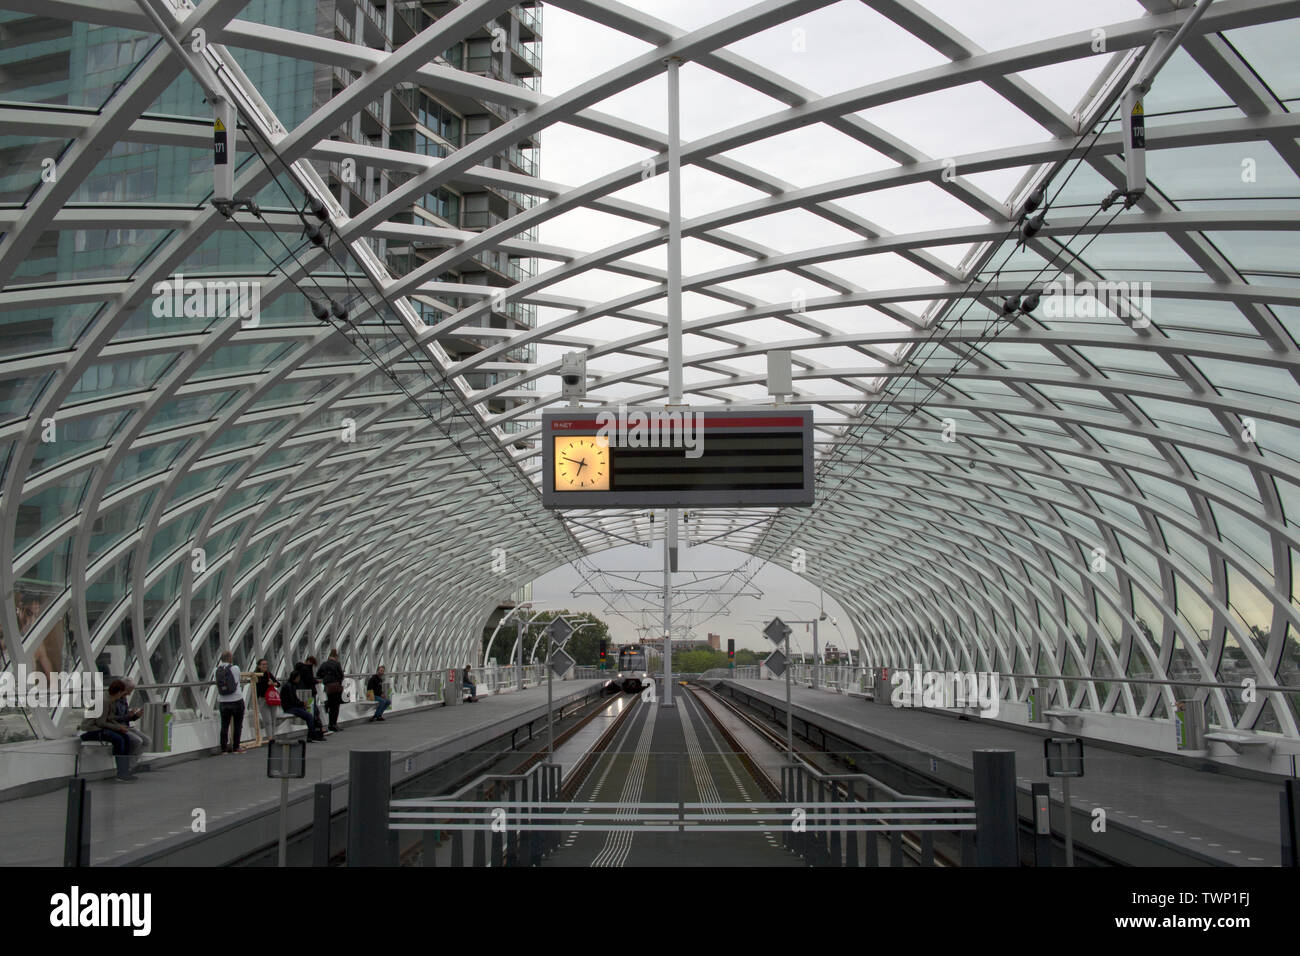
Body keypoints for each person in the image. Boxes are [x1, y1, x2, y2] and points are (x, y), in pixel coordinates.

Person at [80, 679, 136, 782]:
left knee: (125, 738)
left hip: (99, 728)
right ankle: (121, 772)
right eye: (123, 692)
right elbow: (101, 722)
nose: (124, 695)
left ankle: (124, 770)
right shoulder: (105, 701)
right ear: (119, 692)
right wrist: (118, 727)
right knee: (119, 739)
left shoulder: (110, 699)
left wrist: (120, 727)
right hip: (93, 730)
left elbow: (109, 719)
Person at [112, 678, 151, 771]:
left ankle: (129, 765)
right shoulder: (114, 699)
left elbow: (125, 716)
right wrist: (128, 716)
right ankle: (126, 767)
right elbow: (112, 718)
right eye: (128, 691)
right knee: (137, 740)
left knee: (147, 741)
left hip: (125, 726)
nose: (129, 694)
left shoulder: (123, 699)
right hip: (117, 727)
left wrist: (135, 716)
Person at [214, 651, 246, 754]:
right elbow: (238, 680)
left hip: (223, 701)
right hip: (237, 699)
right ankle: (236, 747)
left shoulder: (216, 670)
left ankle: (224, 749)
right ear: (230, 658)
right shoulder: (235, 668)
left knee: (224, 725)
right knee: (238, 725)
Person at [280, 670, 325, 741]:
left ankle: (314, 734)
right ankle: (312, 735)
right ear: (295, 678)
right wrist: (302, 704)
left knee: (311, 714)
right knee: (309, 716)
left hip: (291, 707)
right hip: (290, 708)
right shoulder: (289, 687)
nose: (299, 680)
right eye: (298, 678)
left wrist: (302, 704)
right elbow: (292, 700)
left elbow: (293, 700)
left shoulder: (290, 685)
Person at [316, 650, 345, 732]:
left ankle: (330, 723)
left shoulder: (324, 664)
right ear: (336, 657)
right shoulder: (337, 664)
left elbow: (318, 674)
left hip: (328, 687)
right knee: (335, 707)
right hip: (336, 687)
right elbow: (341, 676)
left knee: (331, 704)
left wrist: (326, 678)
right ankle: (333, 724)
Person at [254, 659, 279, 742]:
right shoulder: (256, 675)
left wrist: (273, 683)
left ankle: (272, 736)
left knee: (273, 718)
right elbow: (258, 688)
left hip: (271, 698)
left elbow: (278, 683)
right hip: (263, 699)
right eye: (263, 664)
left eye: (266, 664)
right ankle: (270, 738)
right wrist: (268, 684)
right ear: (259, 666)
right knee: (267, 719)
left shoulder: (268, 674)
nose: (265, 666)